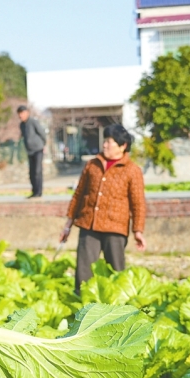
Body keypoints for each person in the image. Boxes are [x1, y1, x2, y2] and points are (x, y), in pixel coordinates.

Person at [59, 124, 146, 294]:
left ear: (122, 146)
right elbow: (78, 195)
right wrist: (68, 224)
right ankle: (81, 306)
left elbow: (138, 203)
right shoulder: (92, 165)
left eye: (109, 142)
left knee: (116, 270)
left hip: (115, 227)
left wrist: (138, 230)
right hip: (88, 225)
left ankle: (119, 311)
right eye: (105, 141)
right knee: (84, 272)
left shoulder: (132, 170)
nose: (105, 145)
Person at [17, 105, 47, 198]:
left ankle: (39, 192)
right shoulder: (22, 125)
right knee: (32, 172)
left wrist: (44, 145)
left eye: (22, 113)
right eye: (19, 114)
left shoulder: (33, 122)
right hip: (29, 151)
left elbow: (42, 133)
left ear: (27, 113)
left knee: (38, 171)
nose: (20, 115)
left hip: (38, 149)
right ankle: (34, 191)